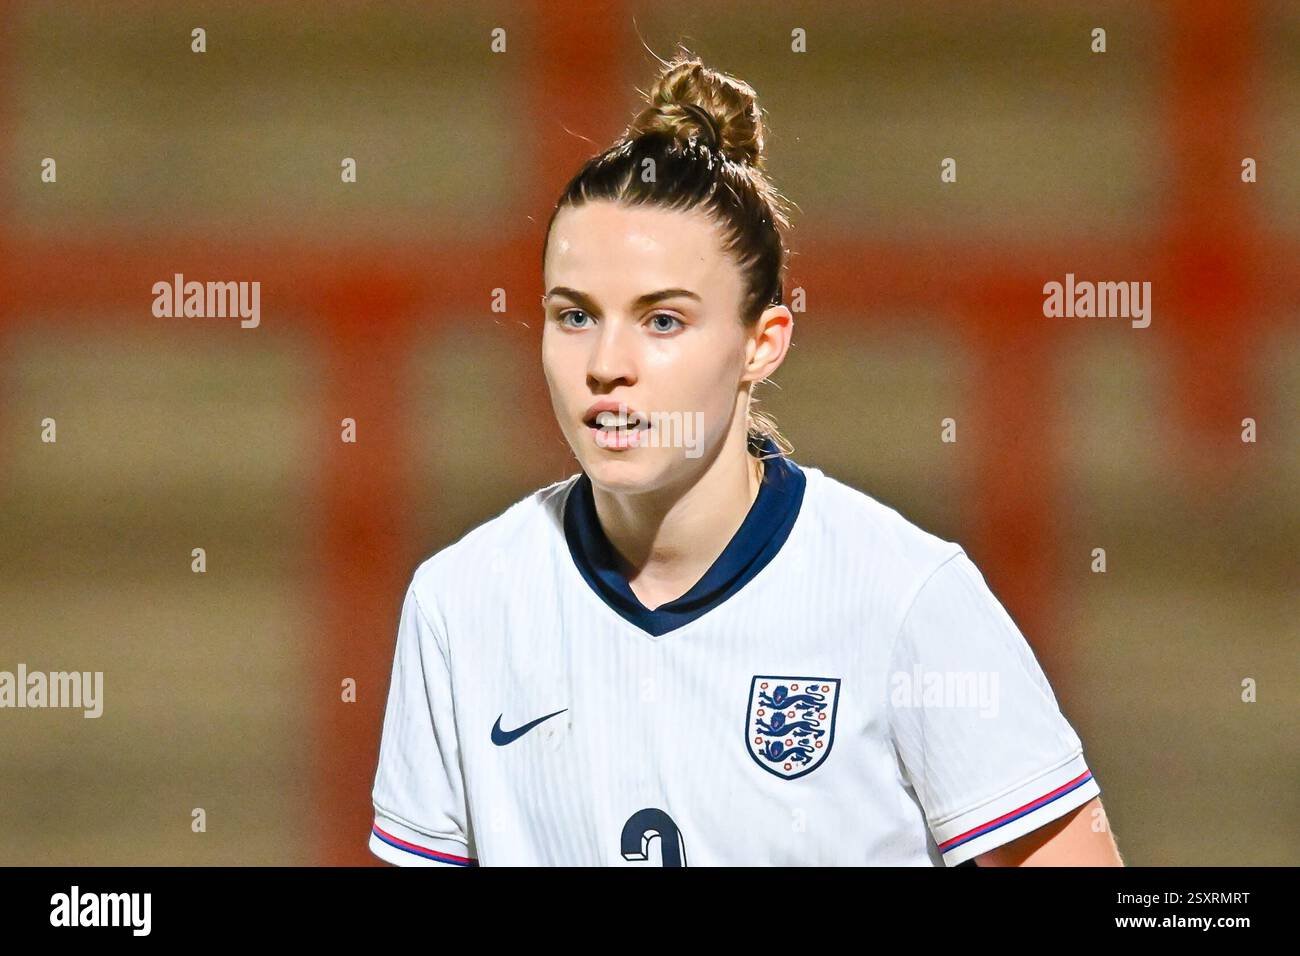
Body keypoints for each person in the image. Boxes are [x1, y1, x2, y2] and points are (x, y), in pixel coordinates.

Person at [368, 50, 1122, 867]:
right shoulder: (461, 605)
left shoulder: (905, 597)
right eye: (575, 315)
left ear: (763, 344)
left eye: (662, 321)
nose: (605, 363)